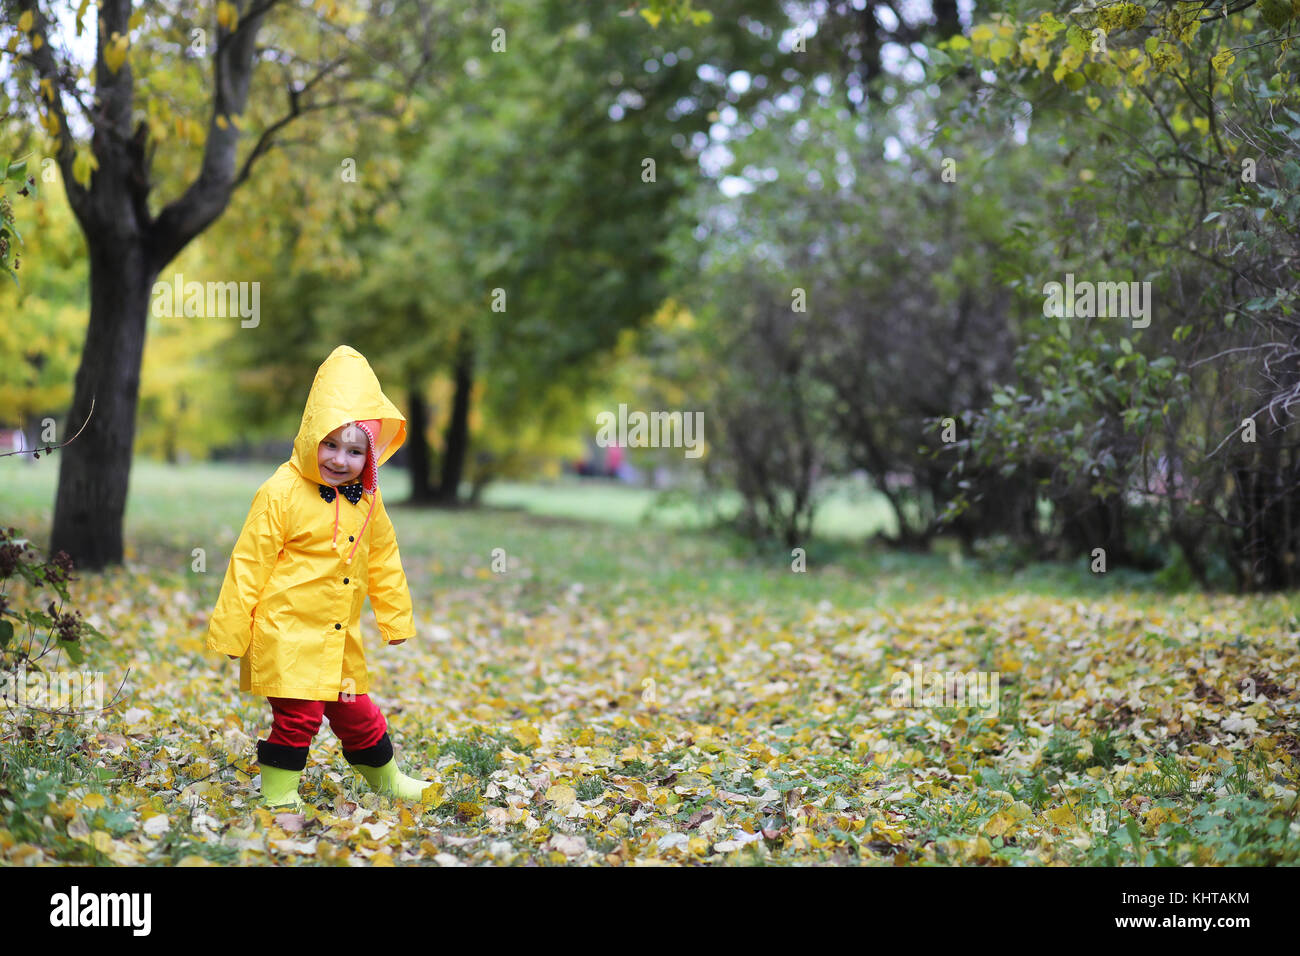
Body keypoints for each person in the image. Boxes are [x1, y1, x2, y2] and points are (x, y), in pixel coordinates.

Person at [206, 345, 432, 810]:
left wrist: (396, 618)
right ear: (311, 437)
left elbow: (383, 558)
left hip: (336, 635)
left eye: (354, 451)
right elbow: (249, 561)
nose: (338, 459)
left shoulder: (367, 500)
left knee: (359, 714)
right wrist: (231, 629)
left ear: (369, 456)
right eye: (330, 444)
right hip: (286, 632)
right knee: (300, 716)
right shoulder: (281, 492)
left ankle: (387, 780)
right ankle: (279, 795)